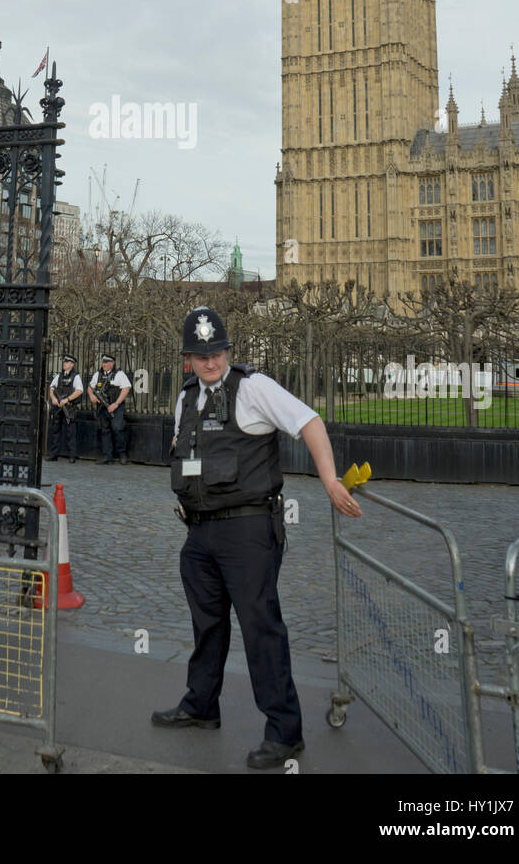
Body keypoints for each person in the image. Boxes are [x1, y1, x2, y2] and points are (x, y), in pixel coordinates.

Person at [152, 305, 362, 769]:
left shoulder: (252, 386)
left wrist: (328, 479)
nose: (211, 362)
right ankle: (201, 704)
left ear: (228, 350)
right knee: (207, 626)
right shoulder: (186, 395)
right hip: (200, 531)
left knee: (261, 629)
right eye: (201, 355)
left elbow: (309, 421)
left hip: (247, 530)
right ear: (188, 358)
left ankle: (286, 732)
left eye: (218, 352)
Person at [87, 353, 131, 464]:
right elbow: (90, 387)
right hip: (102, 407)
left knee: (118, 429)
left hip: (115, 406)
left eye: (106, 362)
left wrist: (116, 403)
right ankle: (107, 456)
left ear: (112, 363)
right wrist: (92, 396)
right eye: (103, 362)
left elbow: (126, 388)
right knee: (104, 430)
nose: (104, 364)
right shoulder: (98, 374)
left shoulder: (119, 374)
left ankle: (122, 454)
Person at [47, 355, 83, 462]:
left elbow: (79, 391)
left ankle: (72, 456)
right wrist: (53, 398)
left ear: (72, 364)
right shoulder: (59, 376)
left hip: (69, 408)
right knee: (55, 430)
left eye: (67, 362)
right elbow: (51, 388)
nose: (64, 364)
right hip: (58, 407)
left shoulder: (76, 376)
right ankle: (53, 455)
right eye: (64, 362)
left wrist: (67, 399)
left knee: (70, 432)